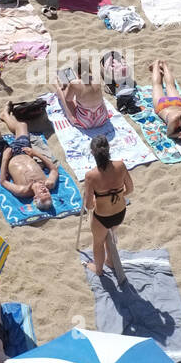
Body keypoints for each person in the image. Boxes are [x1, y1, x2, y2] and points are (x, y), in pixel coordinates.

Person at [0, 107, 59, 211]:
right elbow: (54, 169)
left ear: (35, 198)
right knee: (22, 125)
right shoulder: (48, 183)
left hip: (6, 157)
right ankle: (4, 115)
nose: (45, 190)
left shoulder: (23, 190)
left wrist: (5, 158)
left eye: (42, 193)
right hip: (23, 150)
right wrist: (35, 153)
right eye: (48, 193)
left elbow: (3, 182)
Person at [83, 135, 133, 276]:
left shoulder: (91, 176)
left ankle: (98, 270)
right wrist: (116, 194)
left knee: (98, 243)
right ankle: (110, 261)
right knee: (110, 237)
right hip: (120, 212)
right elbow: (130, 189)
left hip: (102, 217)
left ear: (93, 153)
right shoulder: (121, 165)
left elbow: (89, 206)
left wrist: (97, 201)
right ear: (109, 149)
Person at [150, 58, 181, 143]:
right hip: (163, 106)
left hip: (178, 104)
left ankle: (164, 64)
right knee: (157, 85)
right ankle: (156, 64)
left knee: (170, 86)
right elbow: (169, 134)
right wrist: (180, 135)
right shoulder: (173, 120)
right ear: (180, 123)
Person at [55, 59, 108, 129]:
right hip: (102, 118)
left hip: (85, 122)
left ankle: (56, 82)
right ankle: (67, 77)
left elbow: (68, 99)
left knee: (61, 91)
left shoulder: (74, 84)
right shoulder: (97, 79)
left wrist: (67, 86)